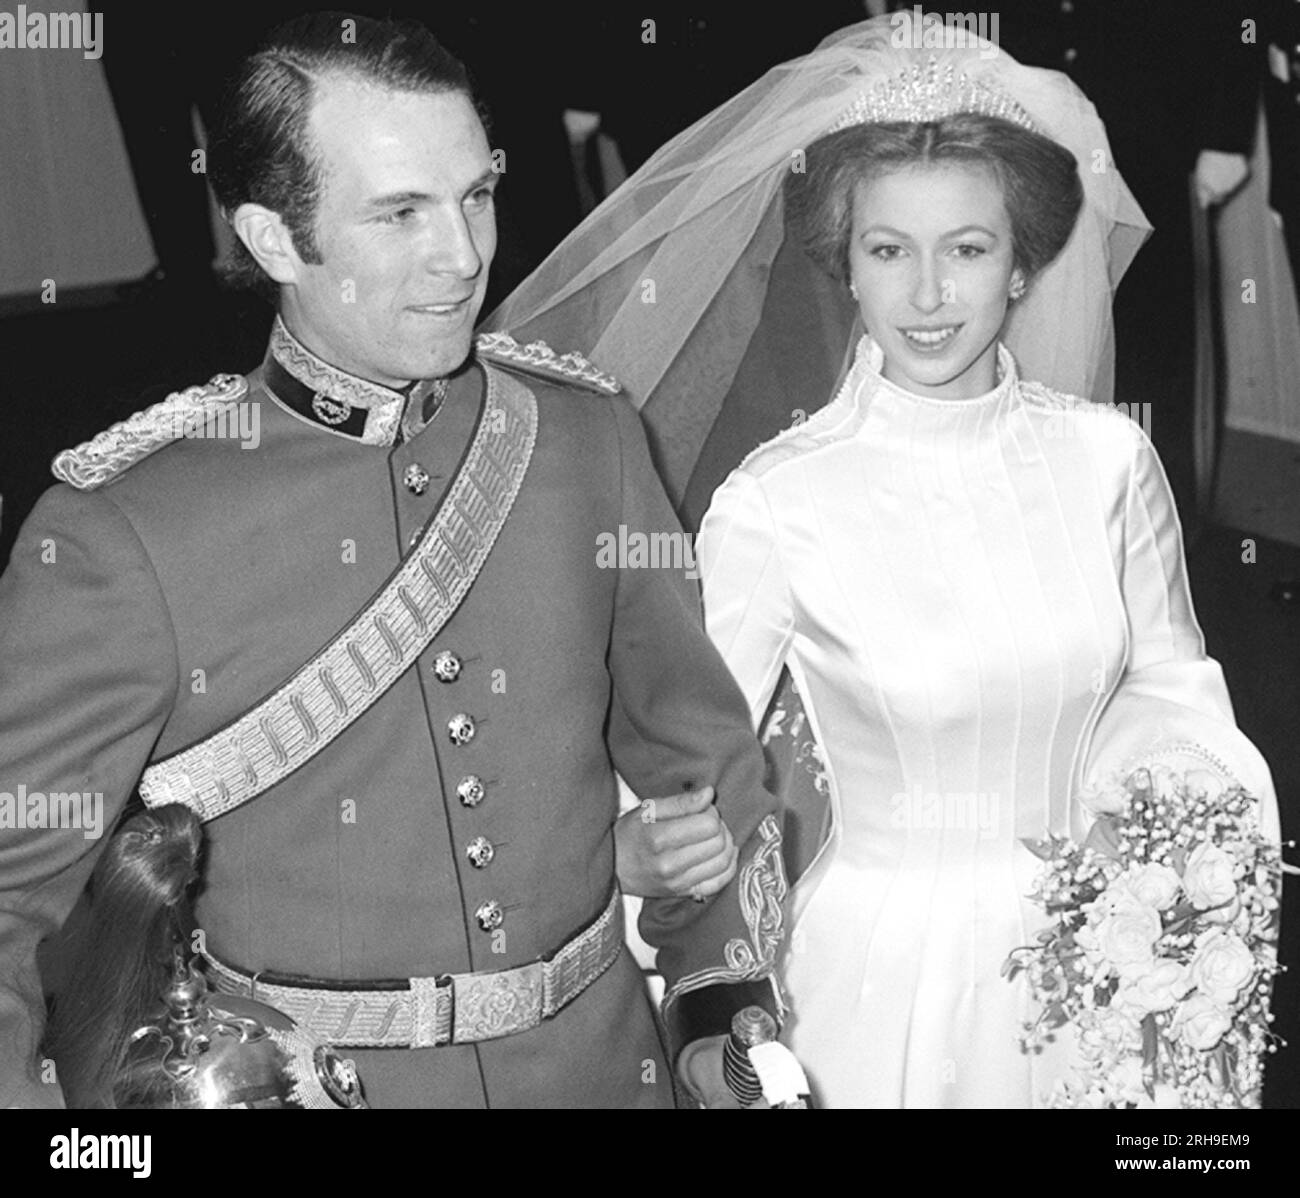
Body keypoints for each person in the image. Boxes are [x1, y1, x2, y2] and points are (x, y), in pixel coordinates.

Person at [0, 13, 788, 1110]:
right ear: (276, 239)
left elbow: (700, 768)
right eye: (400, 212)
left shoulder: (582, 440)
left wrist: (718, 1014)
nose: (462, 256)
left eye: (475, 194)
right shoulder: (122, 533)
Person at [490, 18, 1282, 1108]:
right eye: (886, 250)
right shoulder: (780, 499)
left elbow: (1169, 679)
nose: (926, 295)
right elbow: (677, 761)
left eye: (967, 248)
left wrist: (1164, 860)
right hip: (880, 986)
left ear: (1021, 265)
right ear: (843, 268)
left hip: (1102, 954)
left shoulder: (1107, 458)